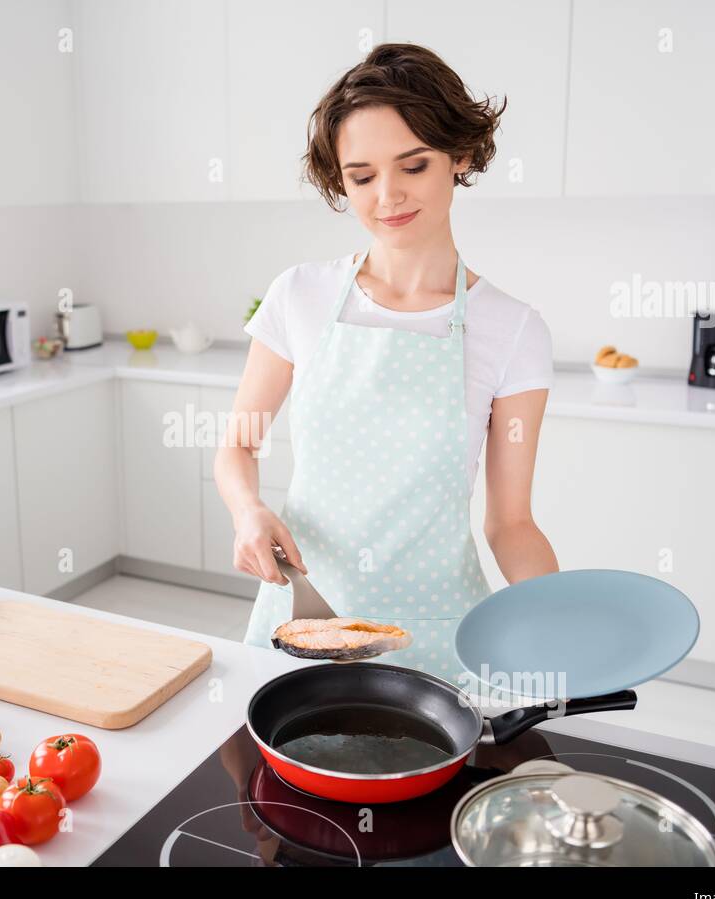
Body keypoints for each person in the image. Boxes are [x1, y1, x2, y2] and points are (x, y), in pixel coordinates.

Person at [214, 43, 559, 680]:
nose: (389, 196)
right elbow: (237, 445)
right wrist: (248, 510)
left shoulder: (512, 329)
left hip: (439, 636)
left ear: (460, 156)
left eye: (414, 165)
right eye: (362, 176)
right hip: (303, 617)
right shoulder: (301, 295)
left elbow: (511, 523)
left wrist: (556, 618)